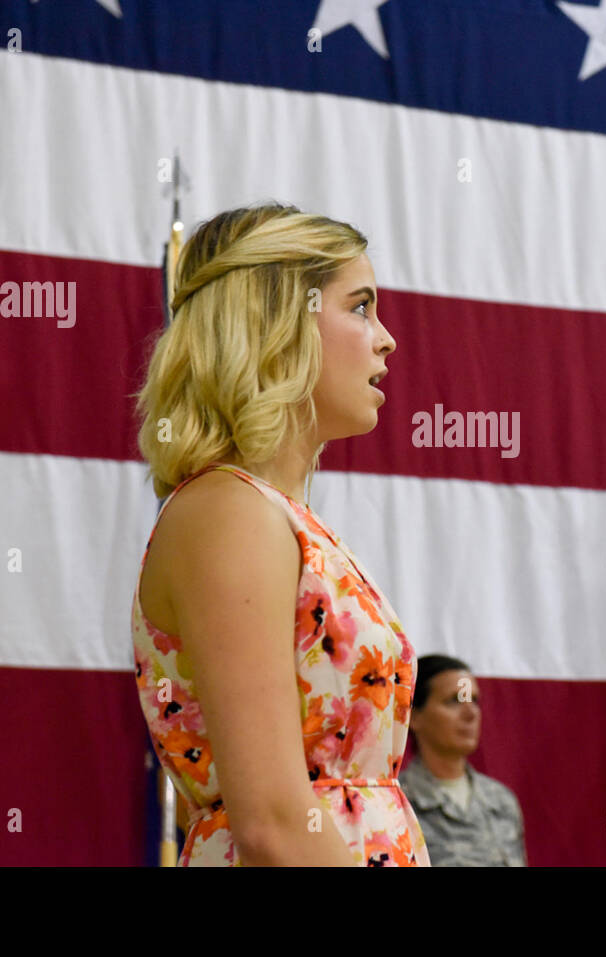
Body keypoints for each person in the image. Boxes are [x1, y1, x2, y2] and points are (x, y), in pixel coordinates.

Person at [130, 202, 429, 866]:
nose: (386, 339)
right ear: (278, 324)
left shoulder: (272, 514)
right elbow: (271, 821)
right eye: (360, 307)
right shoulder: (227, 513)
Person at [399, 655, 527, 866]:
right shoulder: (398, 805)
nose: (471, 713)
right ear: (414, 717)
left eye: (474, 701)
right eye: (454, 700)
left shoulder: (501, 801)